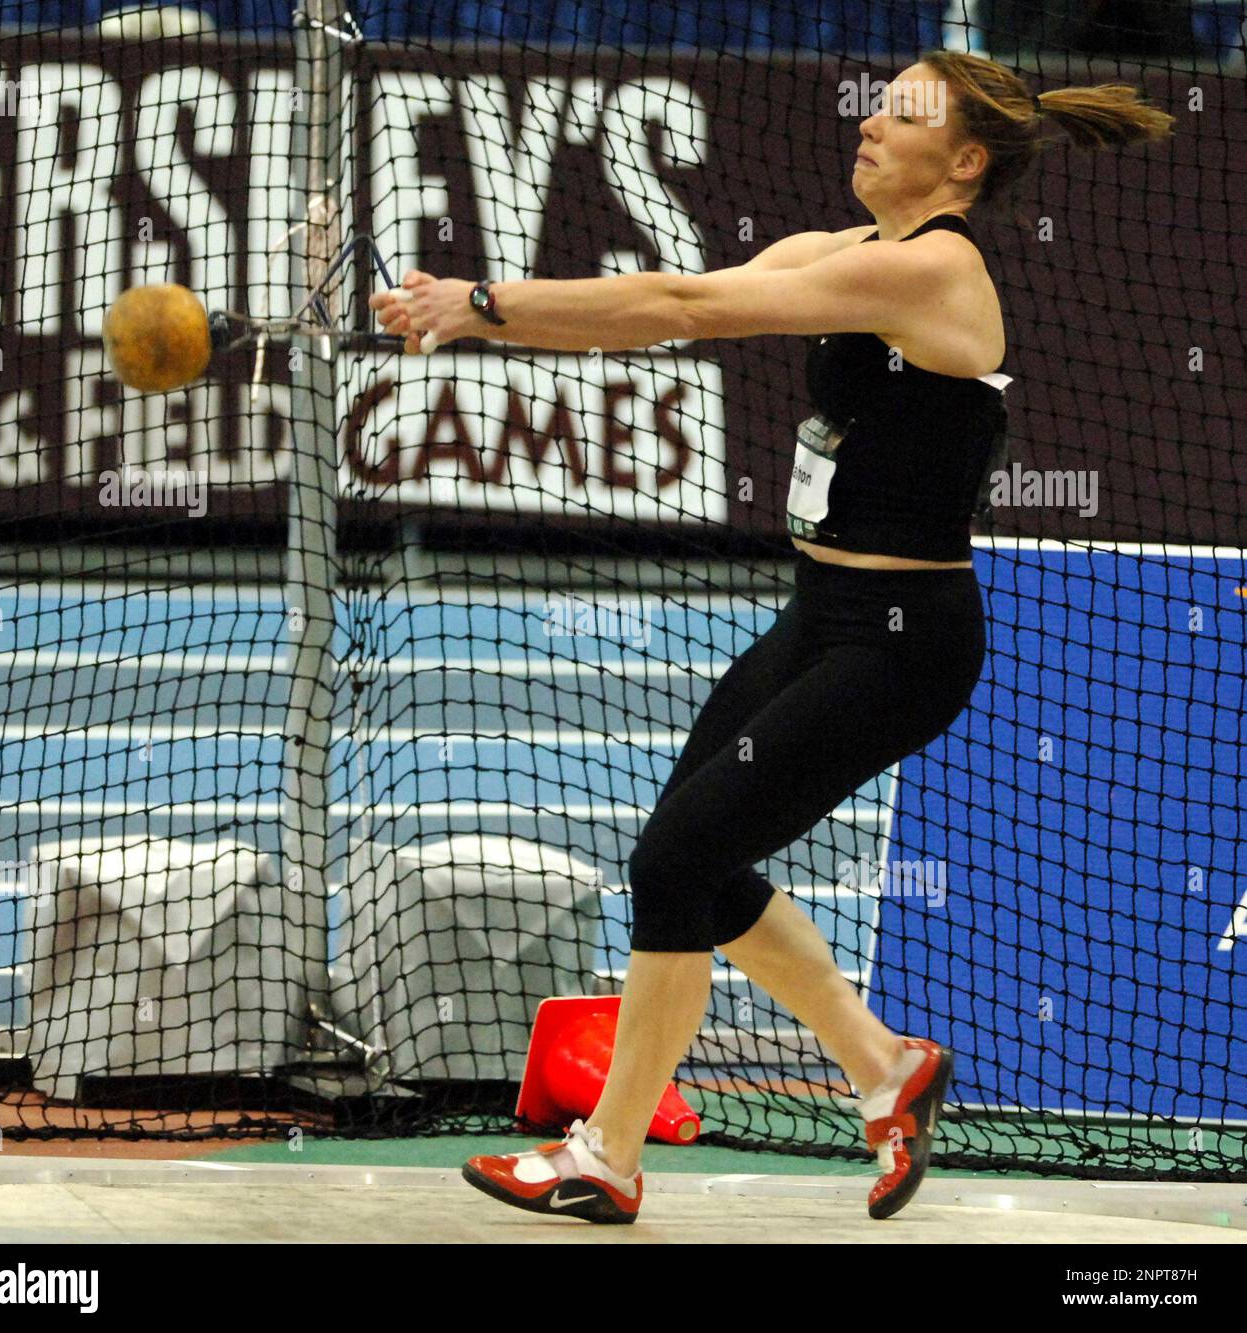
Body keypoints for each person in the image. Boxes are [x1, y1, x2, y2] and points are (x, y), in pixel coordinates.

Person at [370, 50, 1174, 1225]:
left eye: (899, 114)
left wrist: (481, 305)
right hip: (821, 616)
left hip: (899, 642)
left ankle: (607, 1154)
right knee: (696, 855)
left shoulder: (937, 272)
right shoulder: (841, 256)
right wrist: (497, 314)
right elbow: (670, 302)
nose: (866, 125)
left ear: (960, 160)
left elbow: (686, 307)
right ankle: (886, 1070)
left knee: (672, 863)